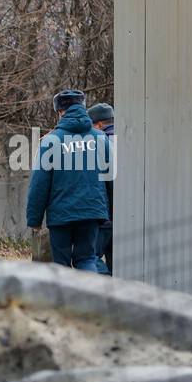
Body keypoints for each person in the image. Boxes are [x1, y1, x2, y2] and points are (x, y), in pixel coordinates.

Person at [26, 89, 110, 272]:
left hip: (60, 215)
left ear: (60, 112)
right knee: (87, 259)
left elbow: (39, 184)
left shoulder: (51, 141)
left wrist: (34, 219)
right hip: (92, 211)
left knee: (61, 265)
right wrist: (108, 211)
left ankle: (64, 299)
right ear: (83, 107)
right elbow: (110, 177)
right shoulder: (101, 138)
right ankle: (89, 298)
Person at [88, 102, 115, 275]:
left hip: (104, 214)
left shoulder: (97, 145)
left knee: (90, 257)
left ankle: (105, 292)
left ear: (98, 125)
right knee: (118, 262)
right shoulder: (131, 138)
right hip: (129, 216)